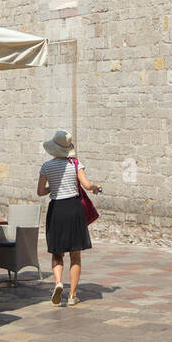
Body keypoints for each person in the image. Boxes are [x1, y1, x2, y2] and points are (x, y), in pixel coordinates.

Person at [37, 130, 101, 308]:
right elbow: (87, 185)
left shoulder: (46, 167)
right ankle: (72, 295)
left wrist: (53, 187)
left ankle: (58, 282)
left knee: (57, 253)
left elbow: (40, 192)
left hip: (57, 208)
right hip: (74, 209)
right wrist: (97, 186)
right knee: (75, 254)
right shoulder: (75, 164)